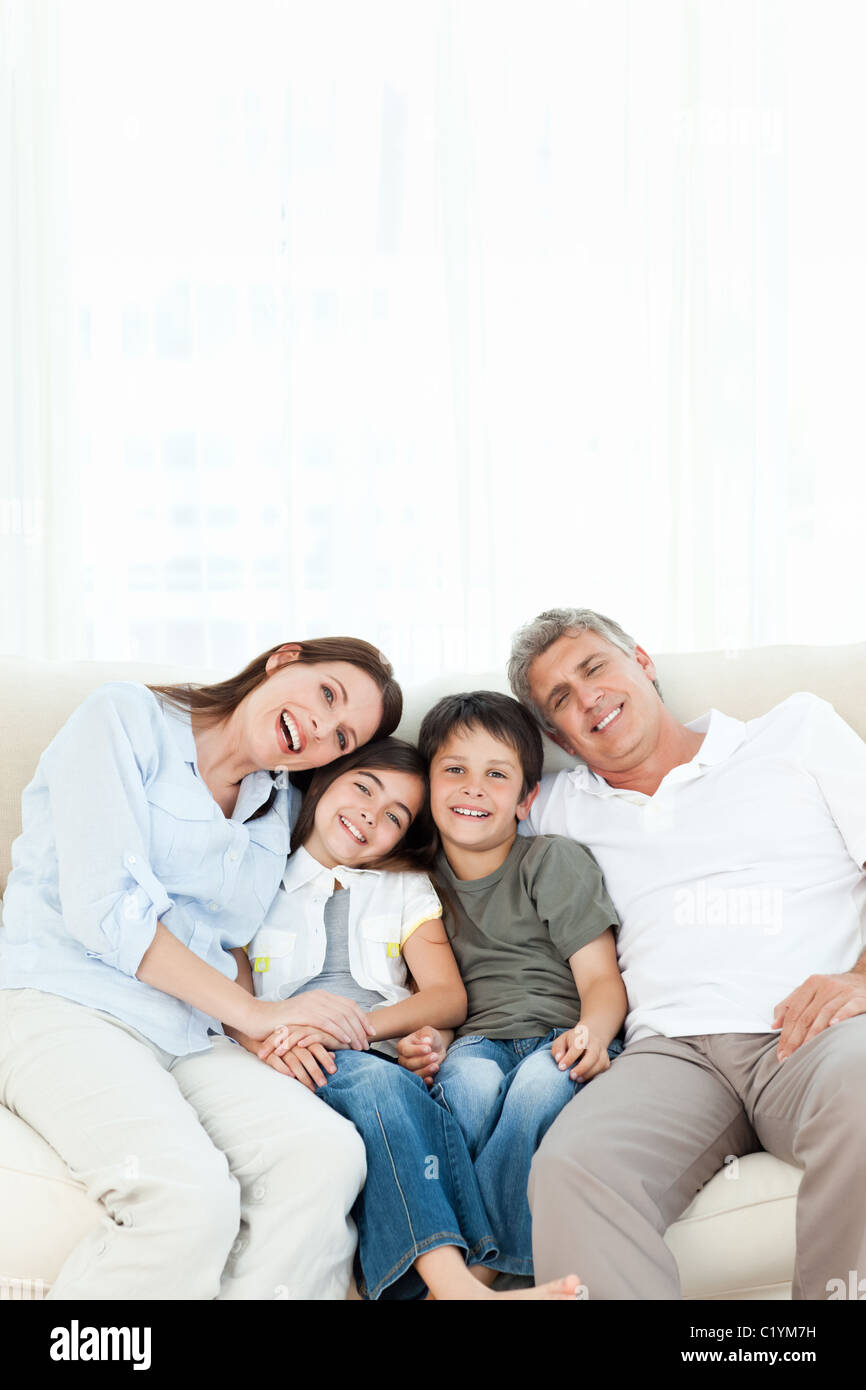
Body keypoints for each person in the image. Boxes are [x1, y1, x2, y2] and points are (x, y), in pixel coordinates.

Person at [0, 636, 402, 1300]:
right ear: (284, 659)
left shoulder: (280, 805)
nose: (320, 730)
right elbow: (106, 910)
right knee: (188, 1201)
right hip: (61, 1001)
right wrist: (256, 1016)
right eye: (327, 694)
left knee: (324, 1156)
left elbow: (231, 942)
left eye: (341, 738)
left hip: (187, 1032)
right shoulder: (124, 717)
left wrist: (258, 1034)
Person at [507, 606, 866, 1301]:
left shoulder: (796, 730)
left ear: (641, 661)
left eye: (594, 668)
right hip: (671, 1055)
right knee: (572, 1166)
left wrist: (864, 977)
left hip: (812, 1035)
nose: (589, 700)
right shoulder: (558, 805)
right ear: (559, 738)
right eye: (562, 701)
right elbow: (442, 815)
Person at [244, 737, 583, 1301]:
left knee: (411, 1095)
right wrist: (261, 1036)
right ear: (324, 781)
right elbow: (229, 990)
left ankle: (439, 1286)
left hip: (373, 1059)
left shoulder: (402, 886)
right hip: (281, 1062)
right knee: (381, 1092)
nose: (369, 817)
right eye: (362, 788)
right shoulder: (257, 874)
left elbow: (447, 996)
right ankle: (459, 1289)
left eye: (394, 817)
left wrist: (368, 1028)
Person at [397, 691, 626, 1281]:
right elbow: (439, 995)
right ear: (427, 785)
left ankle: (486, 1270)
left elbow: (601, 978)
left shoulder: (551, 861)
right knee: (464, 1090)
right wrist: (432, 1041)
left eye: (495, 775)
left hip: (562, 1035)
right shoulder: (415, 886)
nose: (473, 788)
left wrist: (594, 1036)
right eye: (454, 770)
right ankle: (455, 1253)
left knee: (534, 1093)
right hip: (479, 1041)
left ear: (525, 800)